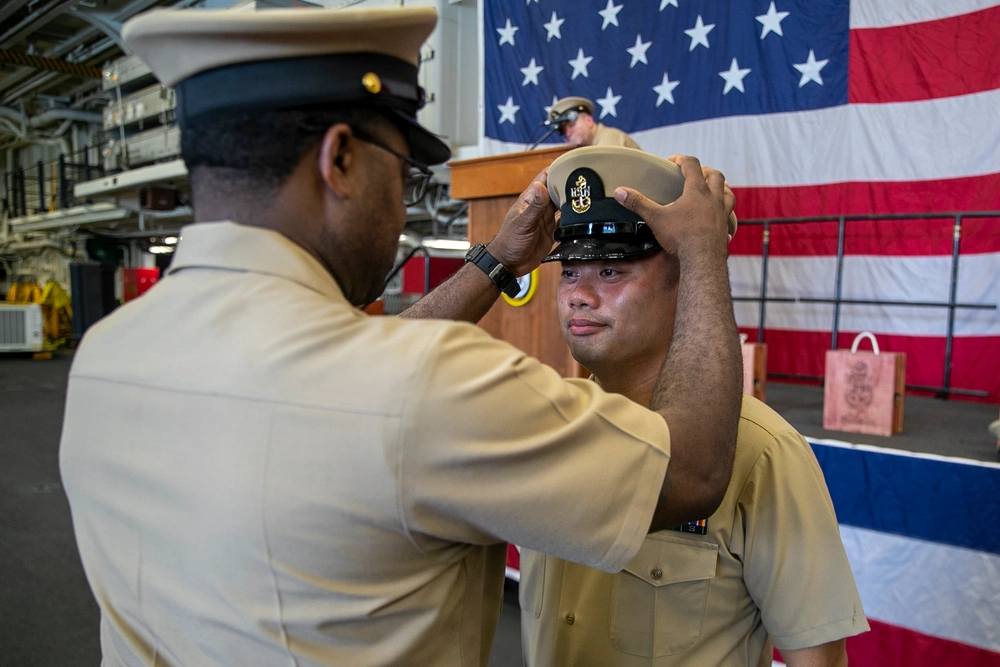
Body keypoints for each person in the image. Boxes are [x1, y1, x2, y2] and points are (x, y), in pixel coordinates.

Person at [59, 7, 743, 667]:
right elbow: (692, 473)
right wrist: (703, 254)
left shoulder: (107, 356)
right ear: (341, 159)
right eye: (404, 175)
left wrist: (496, 260)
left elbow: (358, 375)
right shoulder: (430, 386)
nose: (400, 210)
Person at [519, 146, 870, 667]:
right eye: (570, 271)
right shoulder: (545, 423)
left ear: (685, 282)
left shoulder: (761, 451)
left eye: (610, 272)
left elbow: (816, 659)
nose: (579, 295)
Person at [549, 96, 640, 149]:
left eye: (572, 125)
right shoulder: (590, 146)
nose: (568, 133)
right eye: (564, 131)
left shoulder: (608, 137)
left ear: (589, 121)